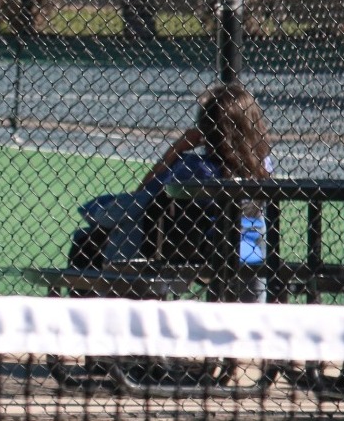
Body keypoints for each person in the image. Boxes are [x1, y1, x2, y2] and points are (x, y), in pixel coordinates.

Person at [76, 82, 274, 300]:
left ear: (207, 129)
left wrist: (178, 148)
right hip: (252, 252)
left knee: (92, 236)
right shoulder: (263, 167)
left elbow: (144, 191)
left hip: (200, 253)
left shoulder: (193, 169)